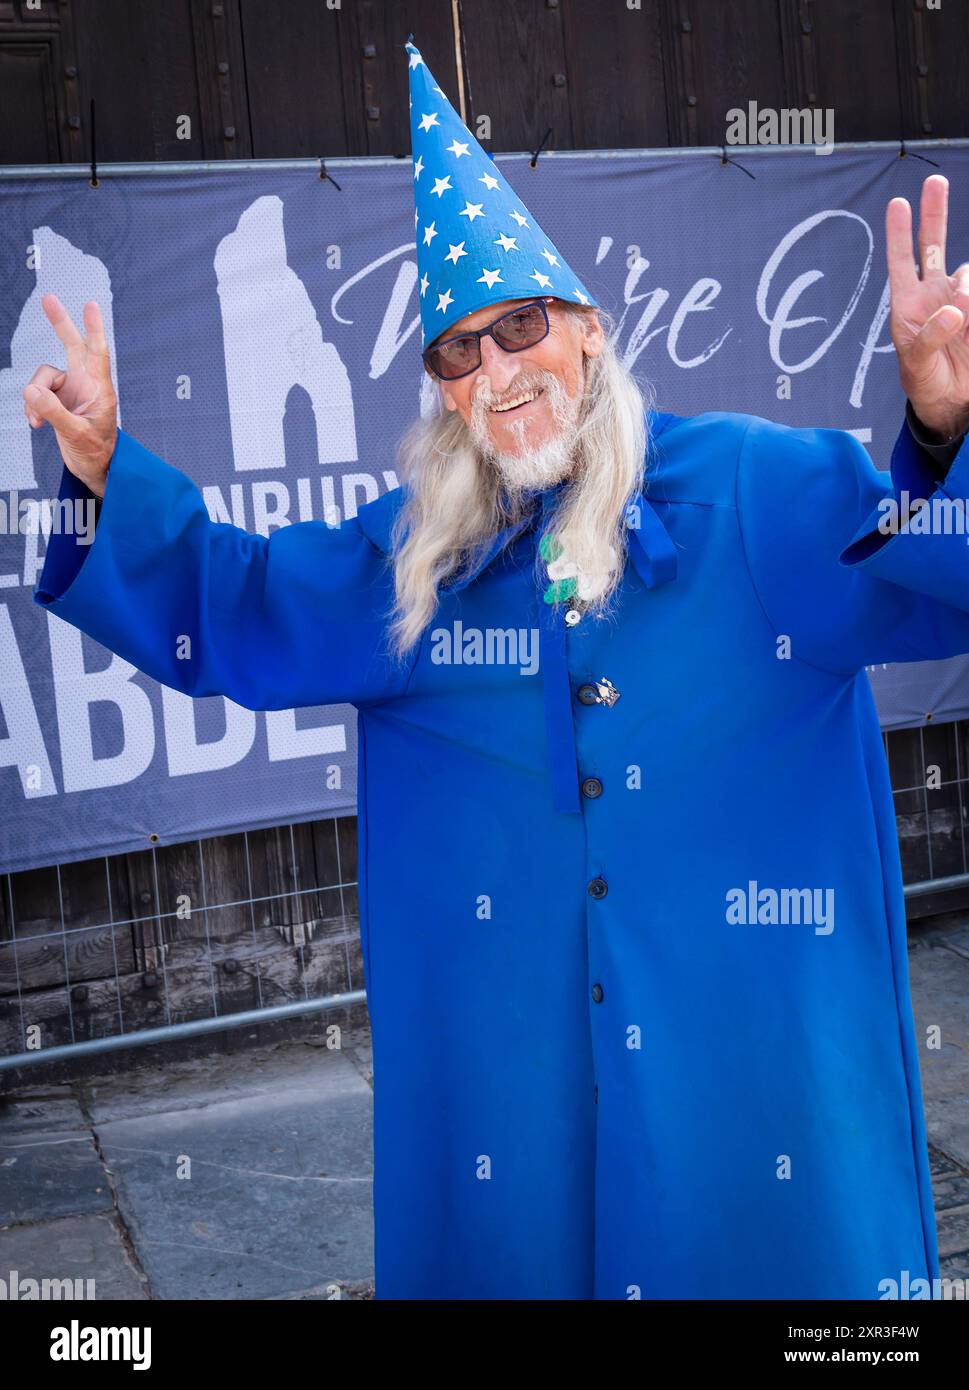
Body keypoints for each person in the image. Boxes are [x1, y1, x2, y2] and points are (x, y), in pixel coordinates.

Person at [22, 40, 969, 1301]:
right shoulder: (420, 557)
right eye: (457, 354)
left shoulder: (752, 488)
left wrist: (939, 432)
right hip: (524, 1099)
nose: (497, 371)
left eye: (519, 326)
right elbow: (231, 603)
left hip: (747, 1078)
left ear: (584, 331)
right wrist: (102, 476)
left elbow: (927, 568)